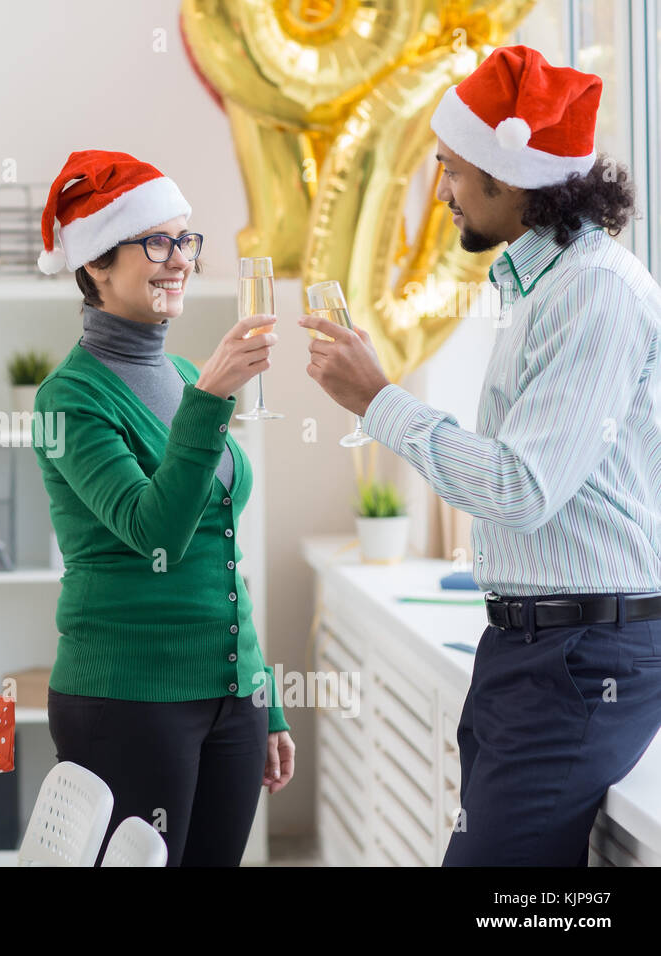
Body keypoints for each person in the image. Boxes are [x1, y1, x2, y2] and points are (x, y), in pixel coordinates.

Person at [298, 45, 661, 866]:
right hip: (534, 652)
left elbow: (521, 486)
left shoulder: (594, 292)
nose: (441, 189)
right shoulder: (533, 286)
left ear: (512, 177)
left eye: (452, 169)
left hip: (580, 659)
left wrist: (379, 401)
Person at [32, 149, 293, 867]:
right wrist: (210, 402)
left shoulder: (182, 375)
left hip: (228, 698)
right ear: (96, 266)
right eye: (155, 241)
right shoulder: (70, 398)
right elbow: (157, 535)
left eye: (185, 239)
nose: (178, 258)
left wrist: (262, 698)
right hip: (128, 699)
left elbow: (220, 553)